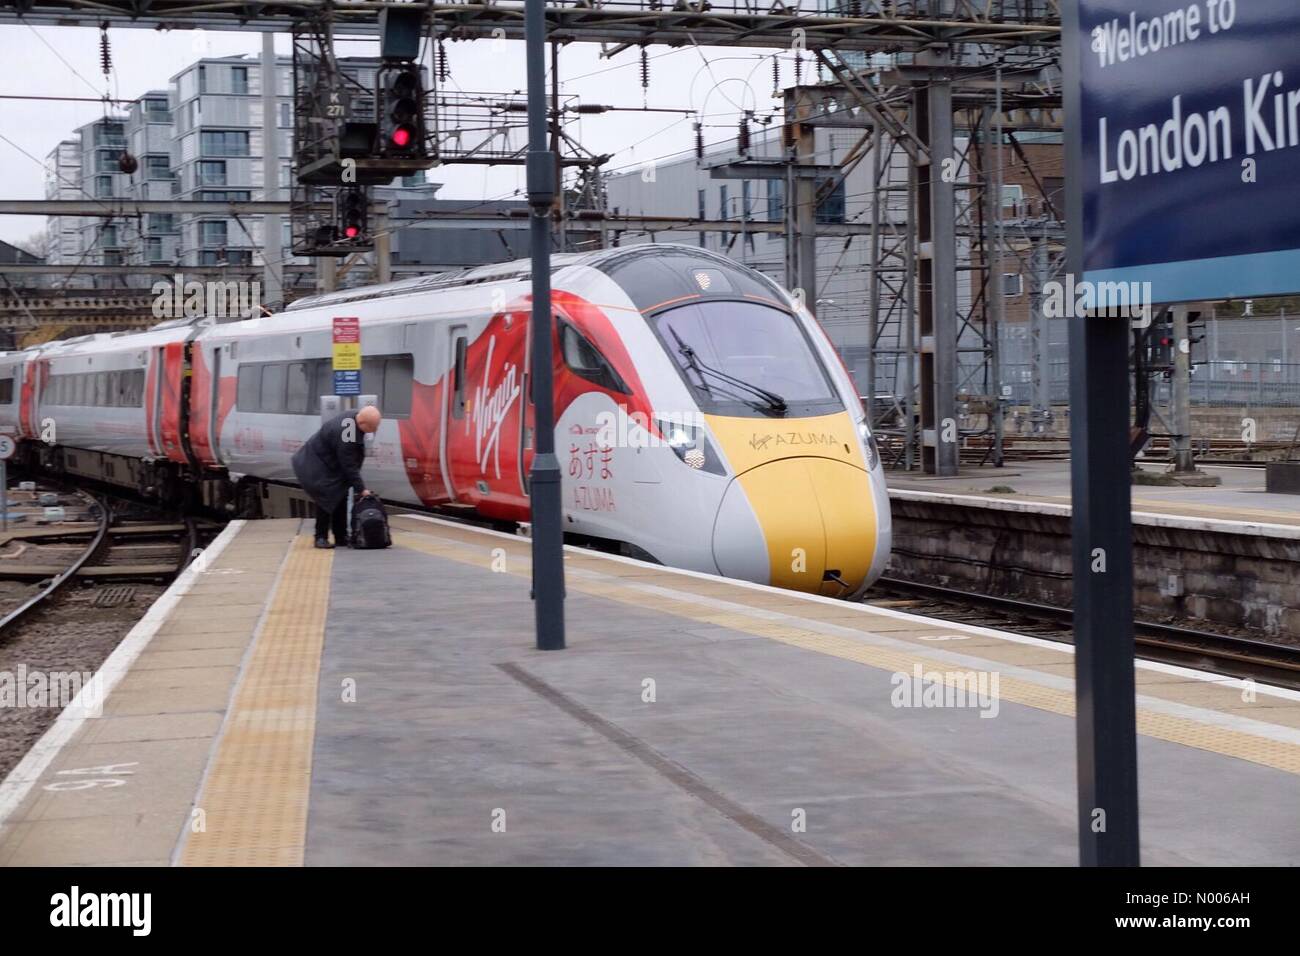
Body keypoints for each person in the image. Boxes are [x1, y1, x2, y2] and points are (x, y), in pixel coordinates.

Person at [291, 405, 383, 549]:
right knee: (326, 499)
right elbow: (349, 465)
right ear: (363, 423)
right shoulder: (348, 432)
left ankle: (341, 536)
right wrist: (362, 489)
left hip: (329, 465)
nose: (375, 430)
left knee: (341, 496)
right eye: (373, 427)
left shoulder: (355, 418)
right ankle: (320, 537)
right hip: (316, 465)